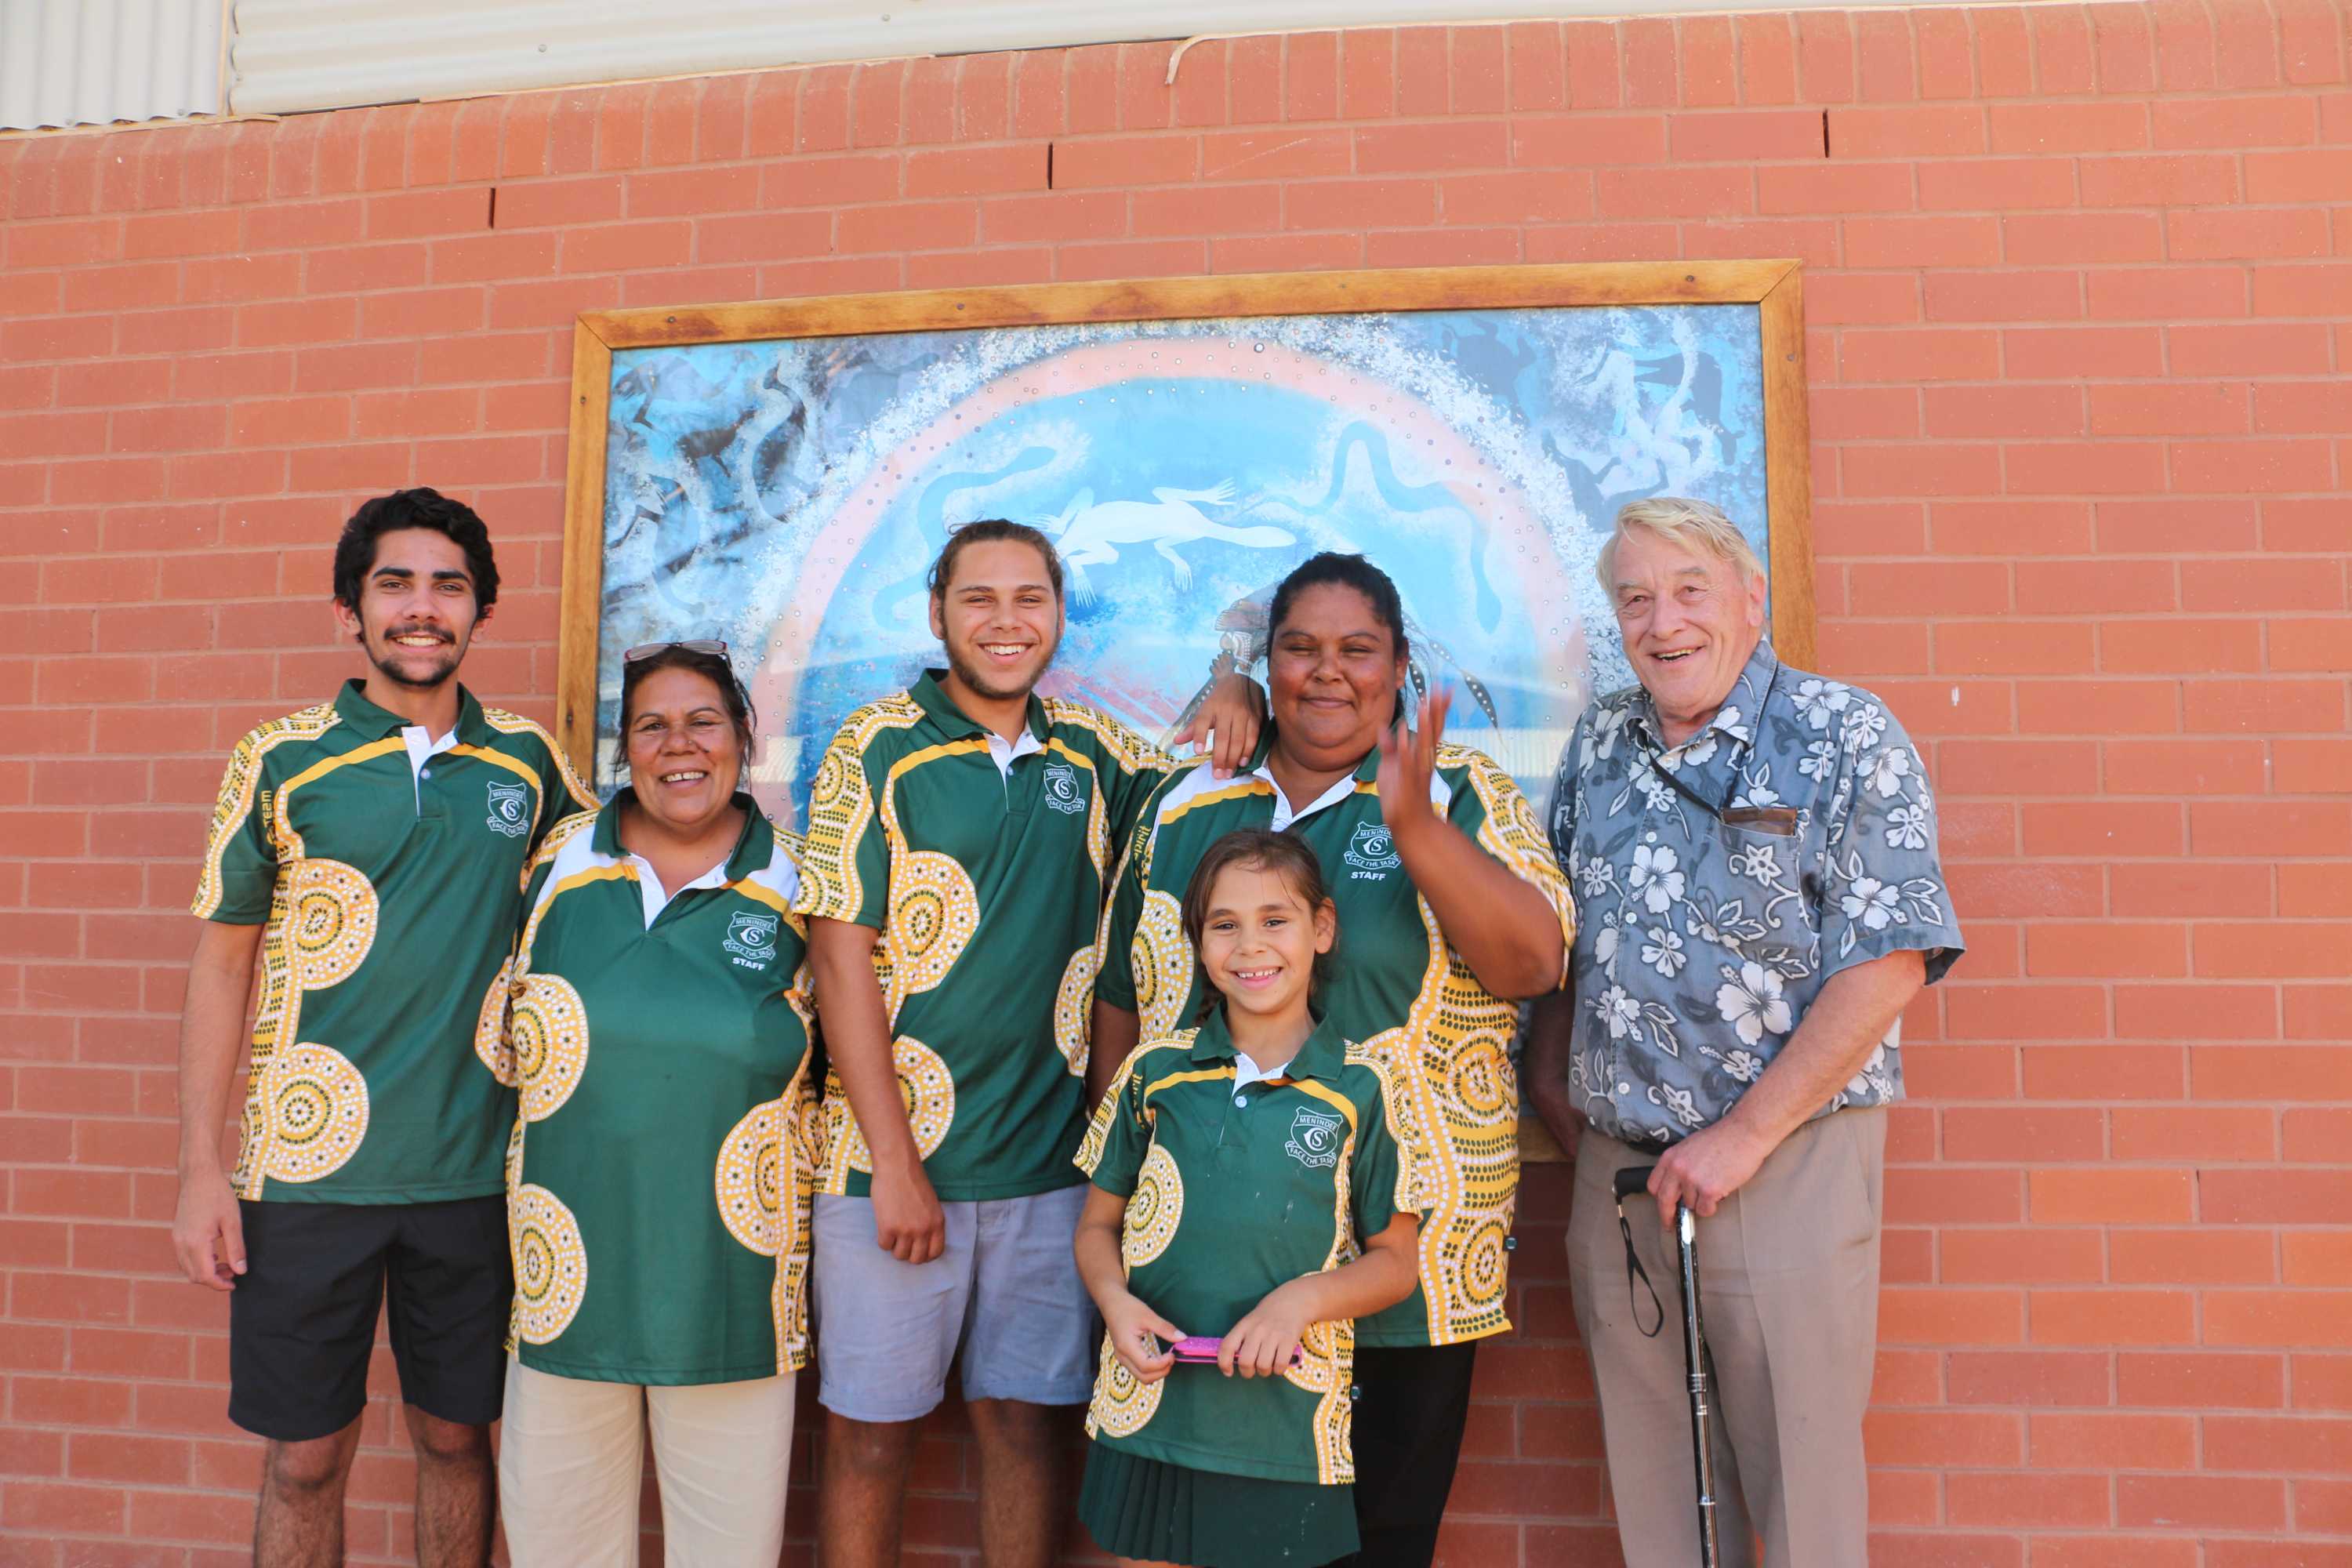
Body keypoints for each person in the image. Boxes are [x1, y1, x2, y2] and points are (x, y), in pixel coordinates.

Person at [793, 519, 1265, 1568]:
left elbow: (1206, 782)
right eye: (979, 599)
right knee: (869, 1440)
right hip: (892, 1174)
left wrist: (1239, 684)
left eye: (1028, 600)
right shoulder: (876, 747)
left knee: (1023, 1428)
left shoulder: (1091, 755)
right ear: (938, 614)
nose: (1005, 622)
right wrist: (898, 1167)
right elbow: (837, 961)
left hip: (1050, 1172)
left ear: (1055, 616)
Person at [1093, 551, 1576, 1567]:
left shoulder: (1460, 789)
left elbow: (1534, 961)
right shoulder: (1190, 799)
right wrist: (1120, 1206)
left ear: (1399, 665)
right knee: (1211, 1538)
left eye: (1358, 650)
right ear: (1265, 663)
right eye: (1300, 649)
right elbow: (1124, 1002)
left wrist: (1415, 827)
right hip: (1206, 1259)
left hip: (1407, 1255)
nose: (1327, 672)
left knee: (1381, 1539)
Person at [1525, 496, 1964, 1568]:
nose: (1662, 621)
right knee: (1658, 1489)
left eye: (1689, 591)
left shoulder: (1843, 732)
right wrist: (1558, 1090)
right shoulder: (1601, 744)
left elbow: (1888, 960)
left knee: (1801, 1487)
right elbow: (1567, 942)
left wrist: (1744, 1137)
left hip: (1785, 1163)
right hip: (1621, 1173)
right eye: (1635, 598)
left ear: (1751, 599)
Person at [172, 489, 593, 1568]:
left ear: (480, 612)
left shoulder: (531, 767)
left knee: (459, 1442)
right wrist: (199, 1170)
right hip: (303, 1180)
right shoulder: (280, 758)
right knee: (306, 1458)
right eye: (394, 583)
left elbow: (618, 897)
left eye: (448, 585)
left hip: (474, 1175)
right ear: (347, 611)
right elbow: (223, 965)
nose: (422, 607)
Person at [495, 641, 816, 1567]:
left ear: (745, 738)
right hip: (564, 1286)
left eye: (705, 720)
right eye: (653, 724)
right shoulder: (551, 866)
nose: (681, 744)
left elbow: (850, 1070)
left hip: (732, 1293)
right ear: (624, 747)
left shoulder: (804, 884)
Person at [1075, 829, 1421, 1568]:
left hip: (1285, 1427)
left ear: (1321, 928)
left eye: (1276, 920)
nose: (1250, 946)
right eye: (1224, 925)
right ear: (1197, 943)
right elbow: (1097, 1226)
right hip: (1149, 1406)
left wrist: (1297, 1303)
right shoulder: (1152, 1074)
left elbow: (1395, 1262)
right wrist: (1114, 1303)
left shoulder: (1366, 1087)